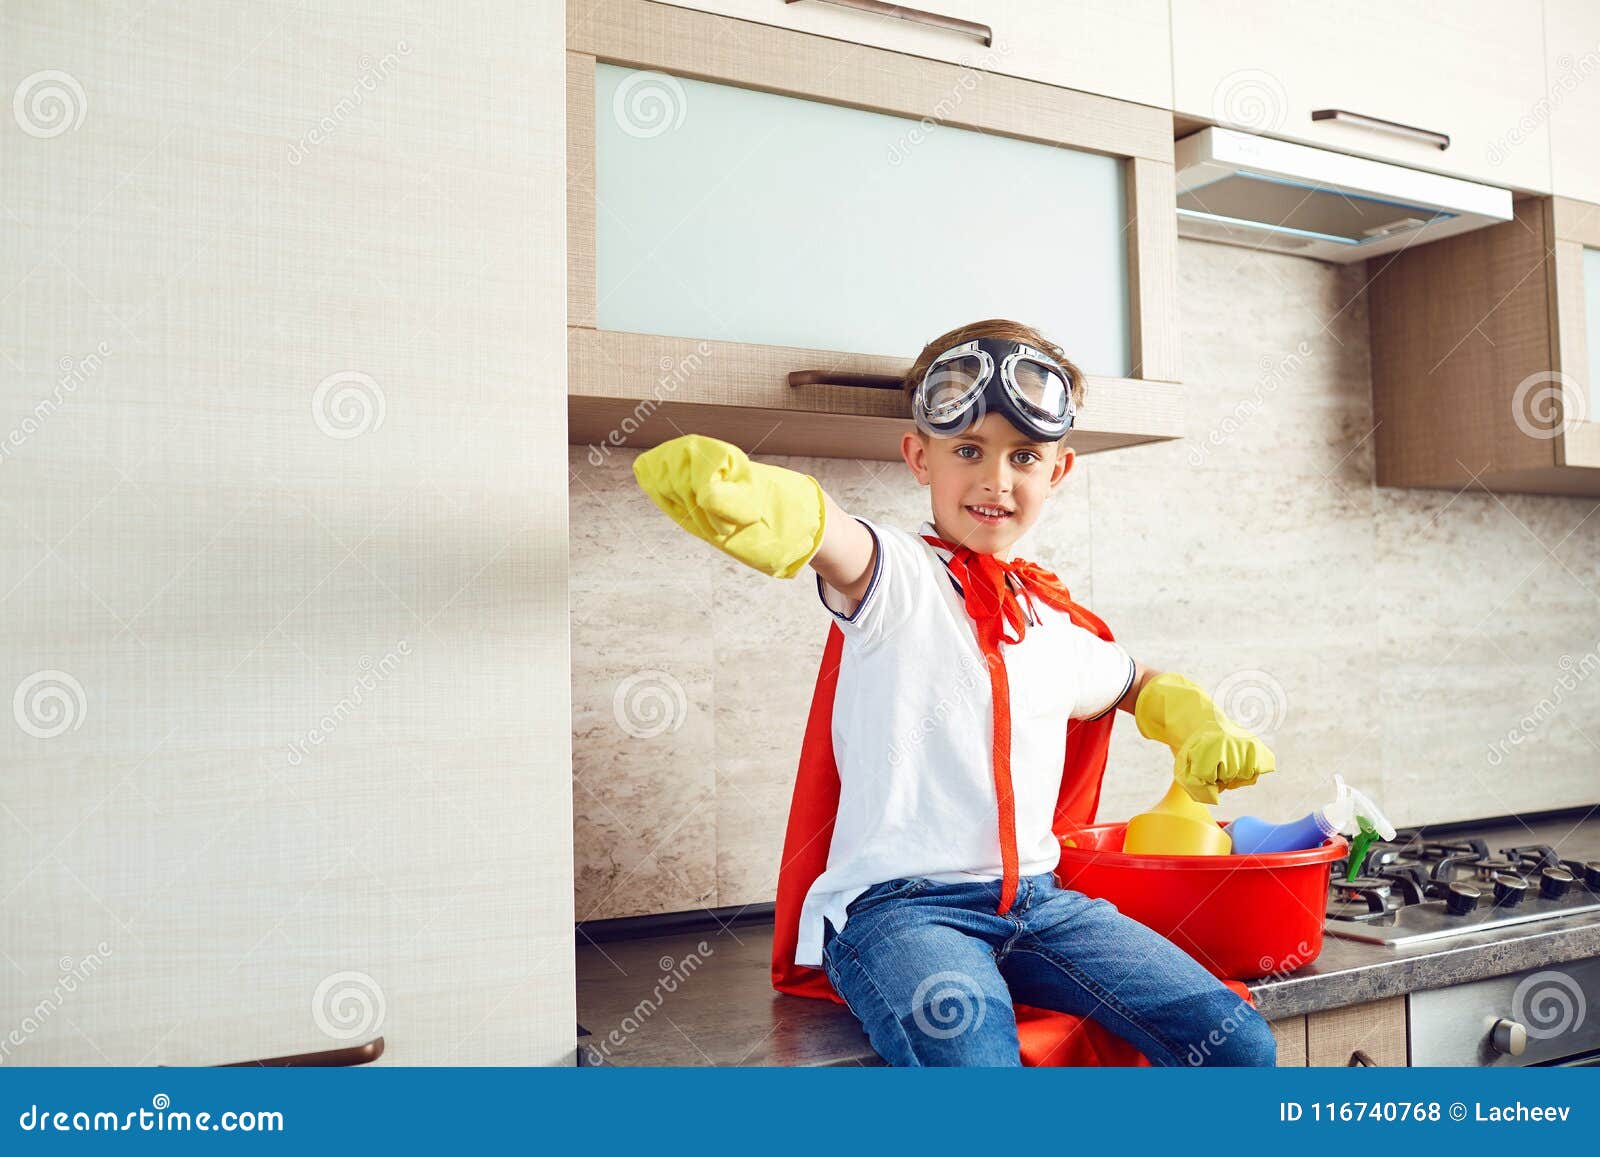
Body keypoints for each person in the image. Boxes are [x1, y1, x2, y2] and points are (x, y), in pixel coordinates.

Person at [632, 318, 1279, 1067]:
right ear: (919, 456)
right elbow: (837, 540)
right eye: (968, 450)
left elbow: (1137, 682)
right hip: (902, 914)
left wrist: (1196, 724)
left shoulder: (1050, 620)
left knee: (1235, 1041)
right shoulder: (898, 578)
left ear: (1059, 471)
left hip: (1040, 907)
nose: (995, 478)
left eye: (1024, 456)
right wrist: (767, 503)